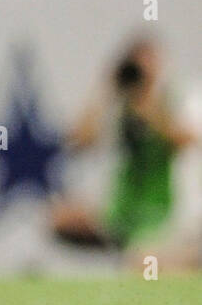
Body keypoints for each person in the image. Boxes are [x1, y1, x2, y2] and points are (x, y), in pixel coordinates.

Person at [52, 38, 197, 256]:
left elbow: (186, 141)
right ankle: (128, 247)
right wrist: (105, 88)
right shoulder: (118, 104)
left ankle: (165, 256)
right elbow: (78, 141)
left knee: (145, 262)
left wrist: (148, 106)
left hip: (164, 212)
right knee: (60, 218)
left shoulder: (176, 98)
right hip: (119, 209)